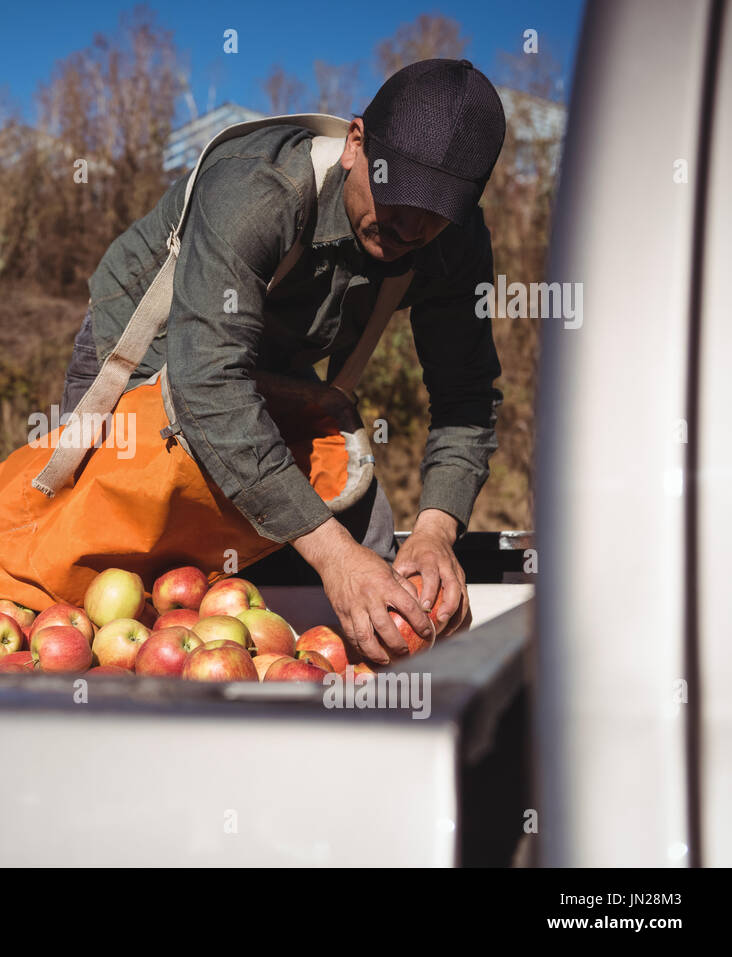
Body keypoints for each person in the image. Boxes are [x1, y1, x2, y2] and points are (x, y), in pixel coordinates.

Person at [59, 59, 507, 665]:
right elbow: (209, 384)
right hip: (151, 355)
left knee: (368, 551)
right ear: (356, 144)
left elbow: (466, 396)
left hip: (269, 368)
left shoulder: (453, 241)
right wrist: (331, 556)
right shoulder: (256, 189)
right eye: (396, 192)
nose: (408, 224)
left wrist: (436, 529)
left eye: (435, 211)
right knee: (115, 581)